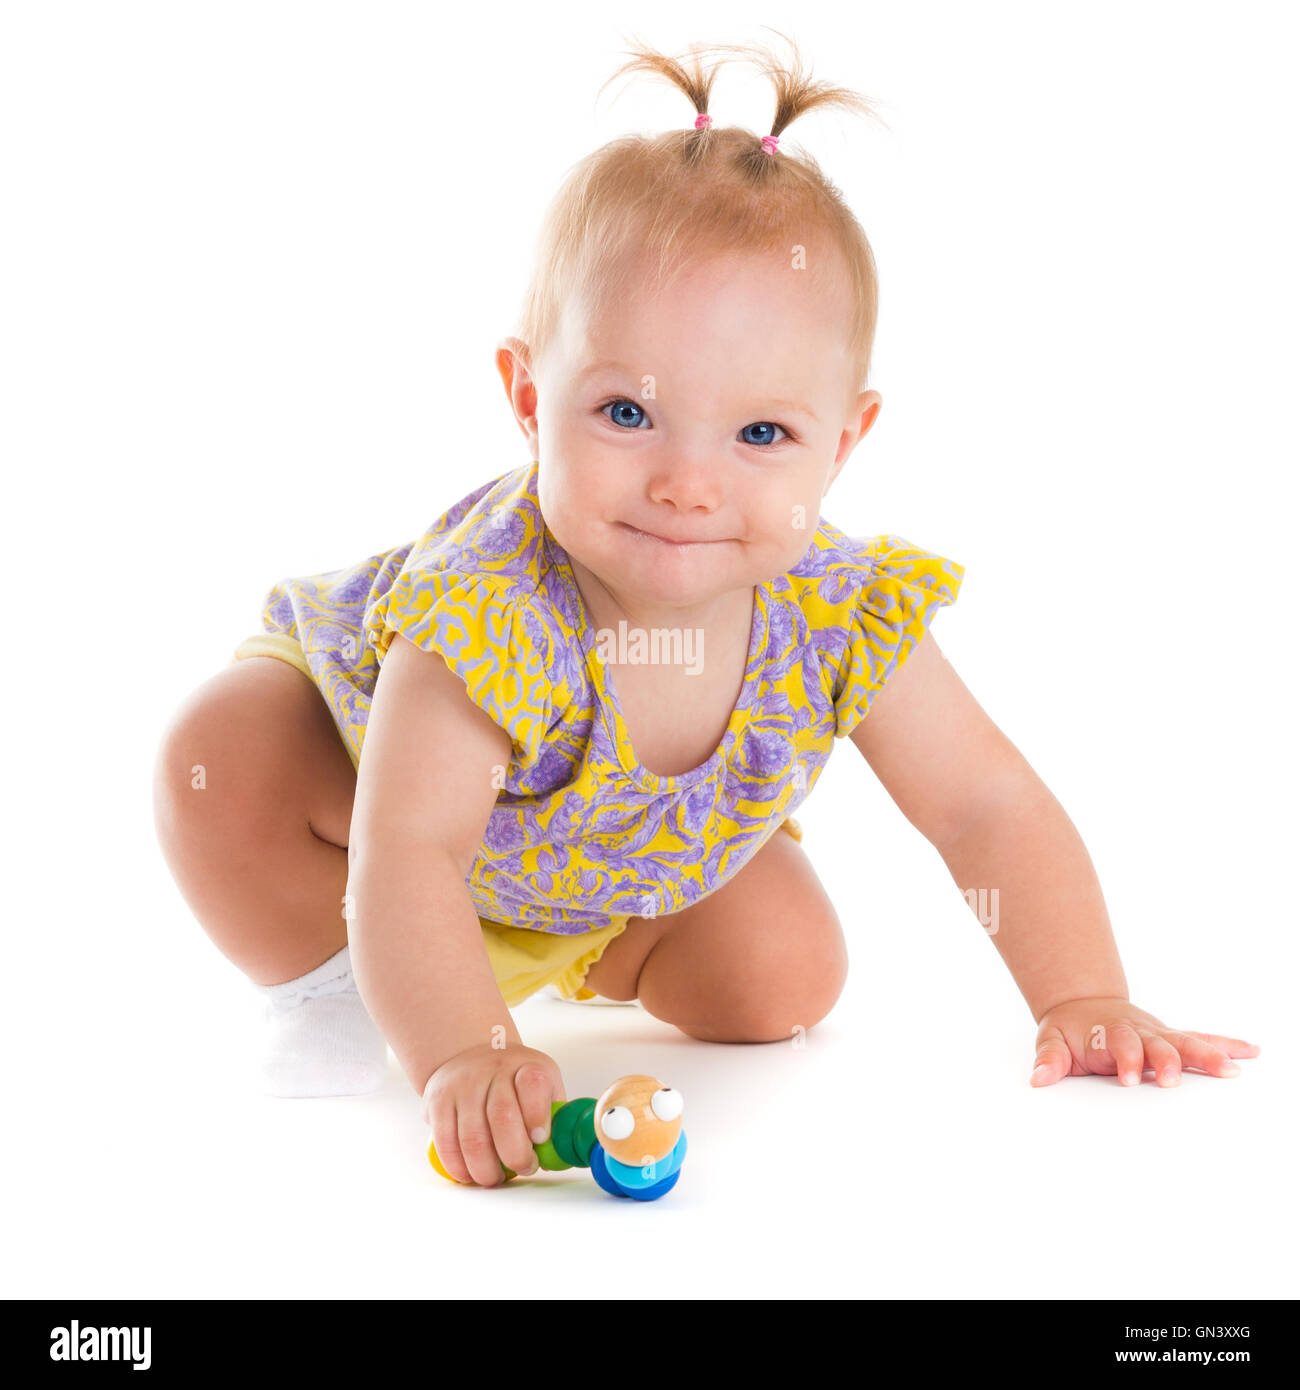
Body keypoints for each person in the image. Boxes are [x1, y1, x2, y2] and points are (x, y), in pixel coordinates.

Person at [152, 34, 1258, 1188]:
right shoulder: (488, 609)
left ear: (843, 443)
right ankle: (324, 978)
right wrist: (464, 1053)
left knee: (785, 978)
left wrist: (1082, 993)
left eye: (761, 435)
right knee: (219, 764)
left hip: (602, 866)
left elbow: (986, 804)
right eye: (627, 412)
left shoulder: (839, 608)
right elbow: (411, 844)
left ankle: (590, 945)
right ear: (530, 398)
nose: (688, 482)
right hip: (362, 817)